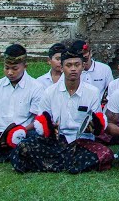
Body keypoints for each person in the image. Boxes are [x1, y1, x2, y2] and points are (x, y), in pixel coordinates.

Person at [11, 44, 112, 173]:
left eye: (77, 65)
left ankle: (53, 163)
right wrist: (50, 128)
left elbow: (97, 124)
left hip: (82, 142)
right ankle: (69, 163)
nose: (73, 69)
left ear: (83, 67)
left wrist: (92, 126)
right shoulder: (49, 92)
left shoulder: (92, 92)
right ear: (62, 68)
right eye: (69, 65)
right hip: (56, 141)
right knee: (22, 148)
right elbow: (41, 122)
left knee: (105, 154)